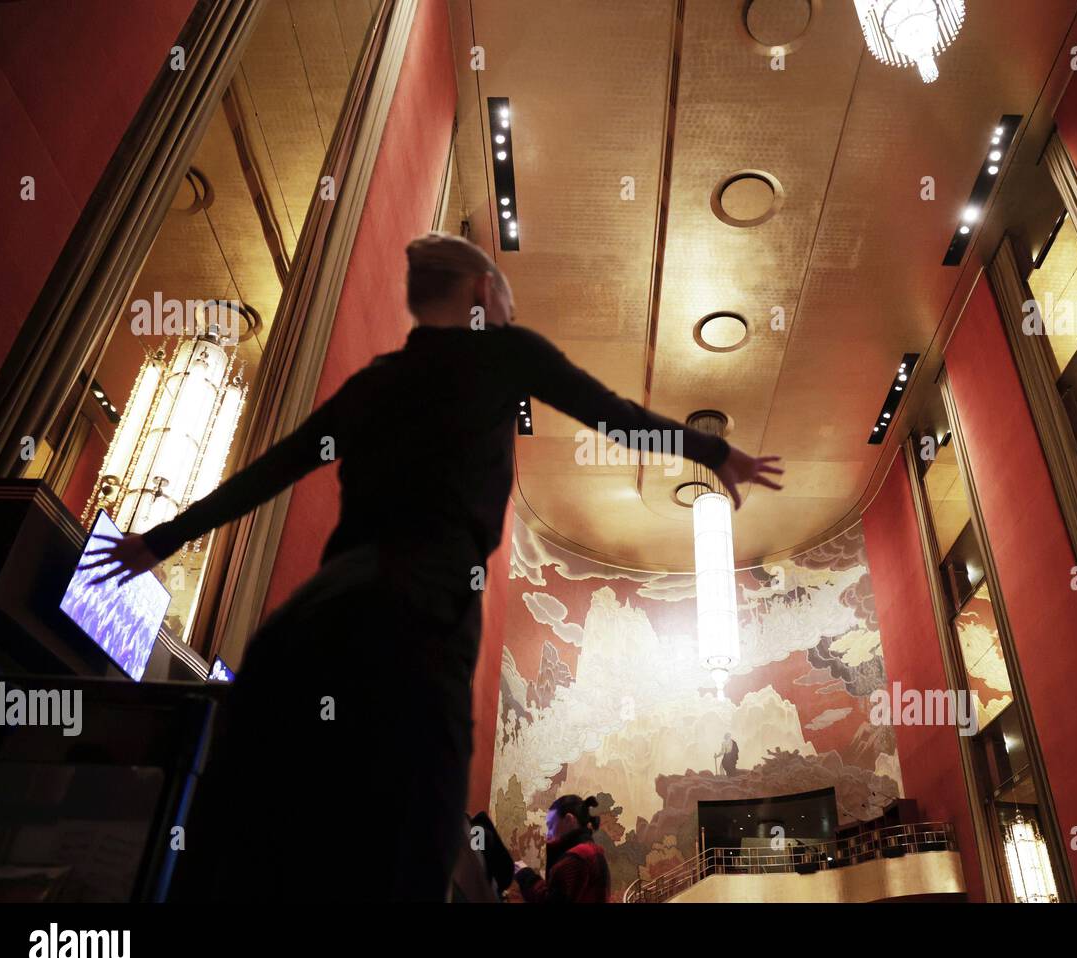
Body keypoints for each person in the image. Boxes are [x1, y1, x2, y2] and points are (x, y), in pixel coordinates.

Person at [84, 234, 783, 902]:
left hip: (307, 621)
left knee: (250, 846)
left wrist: (162, 539)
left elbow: (271, 469)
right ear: (484, 291)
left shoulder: (375, 382)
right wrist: (715, 453)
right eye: (506, 303)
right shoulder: (504, 353)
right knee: (408, 850)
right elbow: (615, 415)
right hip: (421, 619)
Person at [514, 795, 610, 904]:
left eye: (551, 826)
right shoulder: (592, 850)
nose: (548, 833)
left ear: (569, 820)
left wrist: (525, 874)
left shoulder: (578, 857)